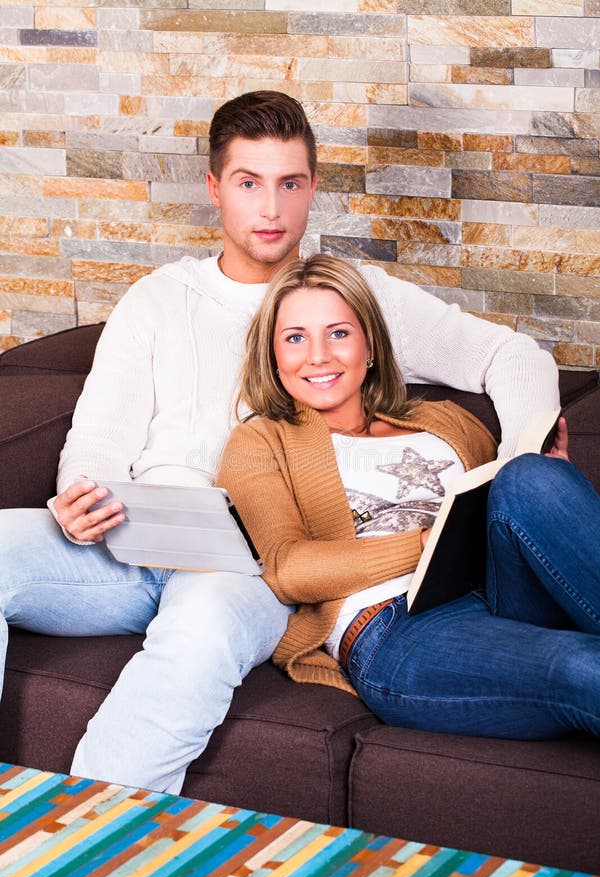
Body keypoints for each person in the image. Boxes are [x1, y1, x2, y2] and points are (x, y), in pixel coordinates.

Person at [0, 92, 561, 795]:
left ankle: (91, 842)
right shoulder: (160, 297)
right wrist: (81, 493)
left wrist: (521, 462)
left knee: (197, 638)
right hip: (132, 542)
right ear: (214, 188)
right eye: (249, 183)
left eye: (289, 184)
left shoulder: (353, 299)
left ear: (312, 189)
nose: (270, 210)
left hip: (250, 567)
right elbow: (101, 431)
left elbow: (512, 356)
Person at [217, 254, 600, 740]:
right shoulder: (262, 441)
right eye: (295, 338)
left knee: (530, 475)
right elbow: (286, 570)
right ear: (274, 355)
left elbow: (502, 506)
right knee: (583, 665)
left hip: (491, 589)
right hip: (396, 629)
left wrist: (555, 484)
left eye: (338, 333)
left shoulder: (446, 421)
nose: (317, 356)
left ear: (370, 345)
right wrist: (422, 546)